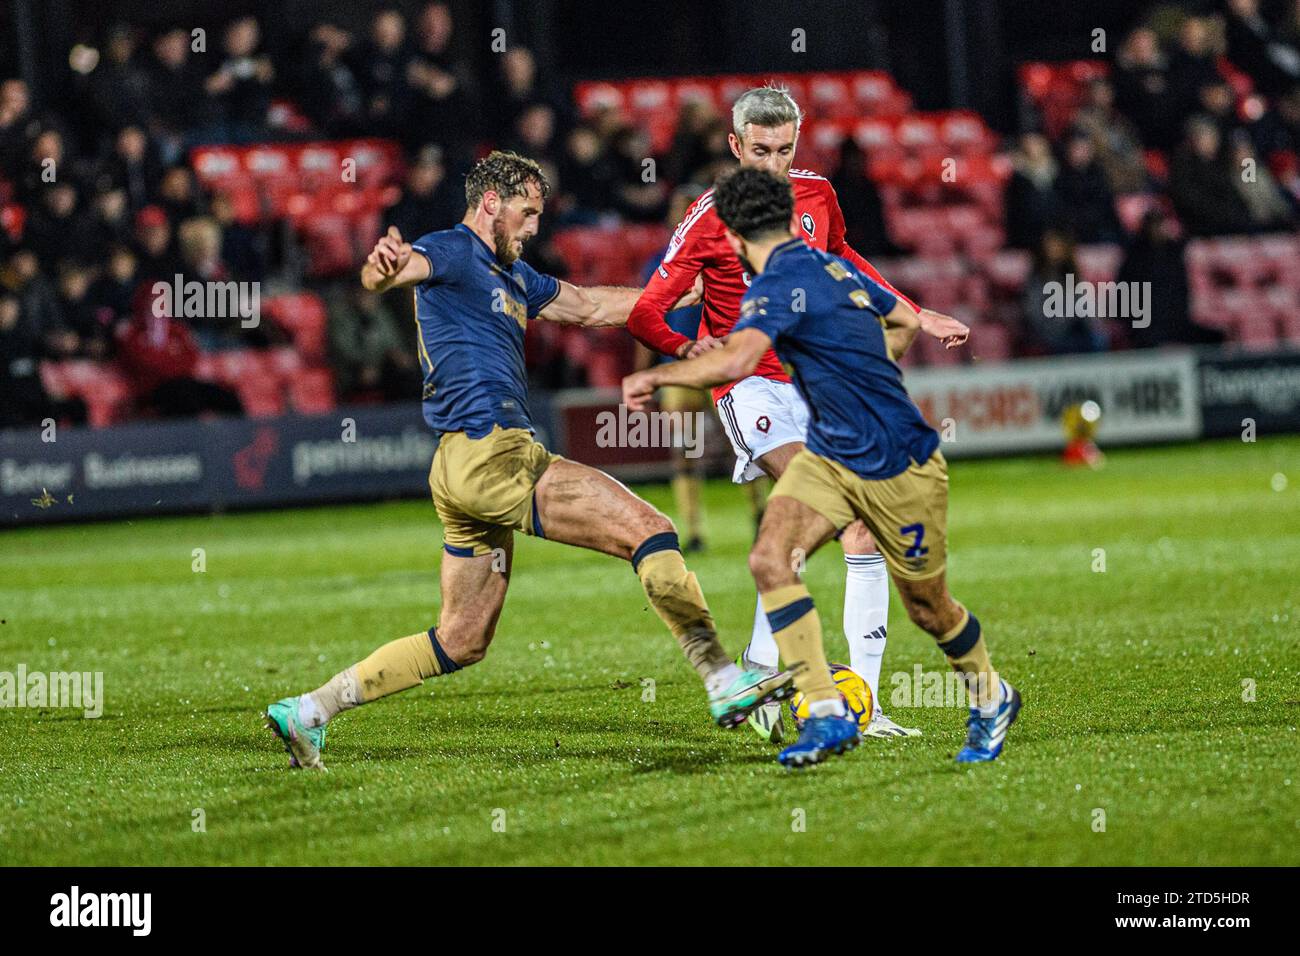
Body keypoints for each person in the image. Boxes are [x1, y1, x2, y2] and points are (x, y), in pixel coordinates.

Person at [263, 151, 791, 770]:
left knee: (461, 640)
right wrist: (383, 268)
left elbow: (592, 306)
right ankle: (722, 677)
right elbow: (400, 270)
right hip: (496, 454)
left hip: (458, 470)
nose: (535, 227)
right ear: (491, 202)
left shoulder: (514, 276)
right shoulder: (456, 251)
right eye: (528, 212)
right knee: (650, 531)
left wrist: (686, 287)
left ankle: (309, 710)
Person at [623, 168, 1020, 767]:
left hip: (895, 458)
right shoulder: (830, 268)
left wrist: (658, 375)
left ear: (730, 237)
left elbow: (740, 355)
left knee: (929, 607)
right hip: (834, 452)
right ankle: (828, 713)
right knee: (770, 556)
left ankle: (991, 696)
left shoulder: (774, 285)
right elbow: (907, 320)